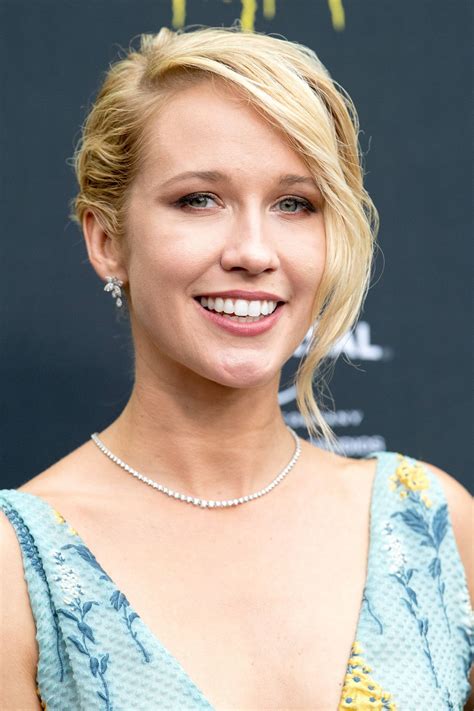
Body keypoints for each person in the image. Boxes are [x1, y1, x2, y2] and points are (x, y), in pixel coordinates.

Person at [0, 25, 472, 711]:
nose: (254, 251)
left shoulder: (433, 525)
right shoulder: (16, 569)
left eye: (294, 204)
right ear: (107, 240)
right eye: (199, 199)